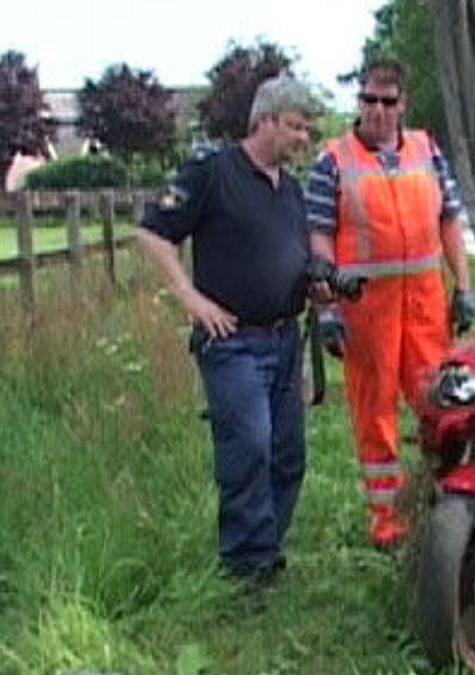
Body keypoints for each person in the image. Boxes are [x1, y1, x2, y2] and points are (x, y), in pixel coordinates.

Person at [135, 74, 321, 585]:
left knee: (287, 456)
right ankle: (245, 567)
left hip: (285, 339)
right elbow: (152, 234)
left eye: (307, 129)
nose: (303, 138)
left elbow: (295, 264)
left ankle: (265, 550)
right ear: (263, 121)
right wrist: (191, 299)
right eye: (295, 127)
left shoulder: (291, 192)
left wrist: (312, 319)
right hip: (232, 342)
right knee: (250, 449)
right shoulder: (213, 171)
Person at [305, 57, 475, 547]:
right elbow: (319, 237)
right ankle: (389, 524)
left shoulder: (427, 150)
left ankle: (450, 504)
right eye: (368, 100)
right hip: (365, 311)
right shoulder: (332, 161)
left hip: (424, 304)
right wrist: (328, 310)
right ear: (358, 101)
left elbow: (450, 221)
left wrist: (462, 286)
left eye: (387, 102)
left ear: (403, 105)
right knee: (374, 415)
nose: (377, 111)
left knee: (441, 406)